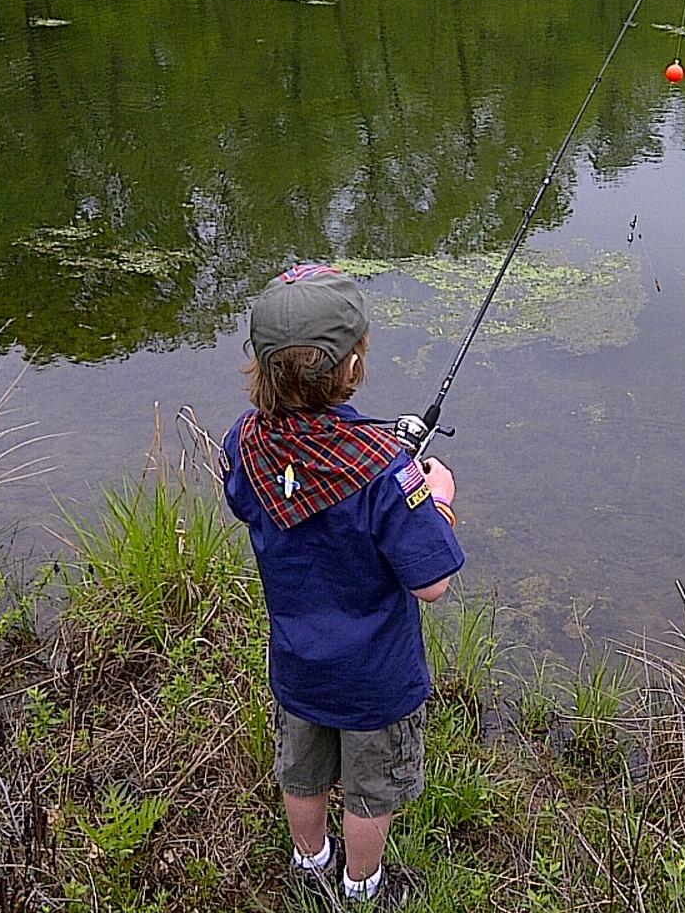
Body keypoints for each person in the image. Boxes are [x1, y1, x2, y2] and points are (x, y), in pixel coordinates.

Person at [219, 264, 464, 909]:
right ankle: (360, 885)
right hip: (376, 679)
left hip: (299, 664)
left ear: (263, 366)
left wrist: (385, 451)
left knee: (301, 775)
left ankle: (310, 863)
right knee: (368, 791)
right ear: (353, 364)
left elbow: (256, 496)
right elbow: (433, 584)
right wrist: (436, 496)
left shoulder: (246, 444)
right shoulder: (387, 473)